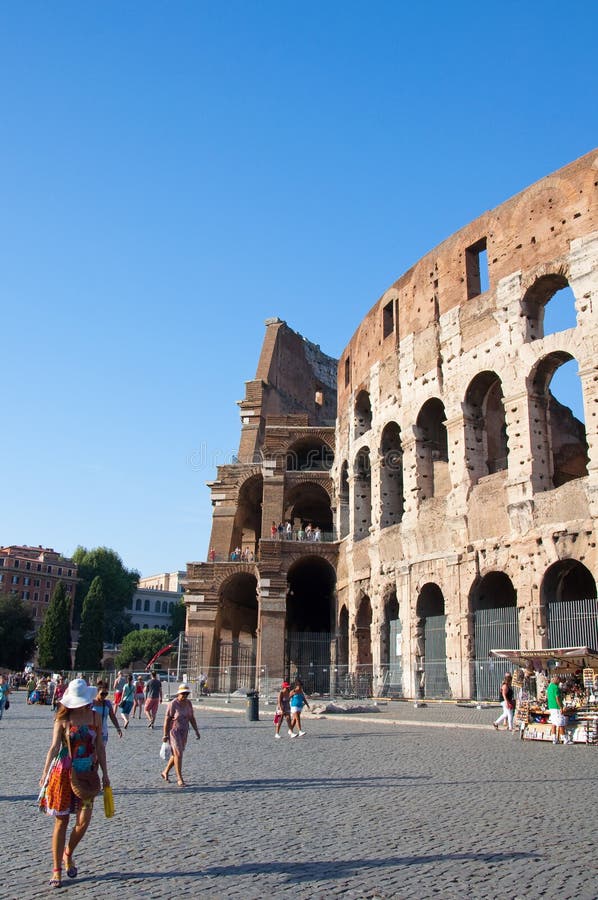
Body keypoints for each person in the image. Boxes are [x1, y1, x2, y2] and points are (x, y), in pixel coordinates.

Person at [38, 677, 110, 889]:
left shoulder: (95, 717)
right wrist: (44, 773)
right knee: (61, 821)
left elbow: (100, 747)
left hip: (87, 772)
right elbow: (53, 747)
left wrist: (106, 773)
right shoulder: (62, 719)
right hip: (63, 773)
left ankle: (68, 852)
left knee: (84, 820)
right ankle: (56, 868)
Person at [161, 683, 200, 787]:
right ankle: (180, 778)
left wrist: (196, 730)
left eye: (187, 694)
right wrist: (165, 735)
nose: (185, 696)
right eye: (183, 694)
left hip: (184, 731)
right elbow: (167, 720)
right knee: (178, 754)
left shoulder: (188, 703)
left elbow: (191, 717)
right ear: (179, 693)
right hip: (174, 731)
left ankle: (165, 772)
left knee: (177, 754)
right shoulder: (173, 704)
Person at [546, 675, 570, 744]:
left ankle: (554, 739)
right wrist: (561, 707)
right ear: (556, 680)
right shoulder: (556, 688)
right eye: (558, 680)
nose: (559, 682)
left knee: (553, 723)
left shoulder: (549, 687)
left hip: (551, 707)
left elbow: (548, 696)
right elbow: (557, 698)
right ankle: (564, 739)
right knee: (561, 723)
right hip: (556, 707)